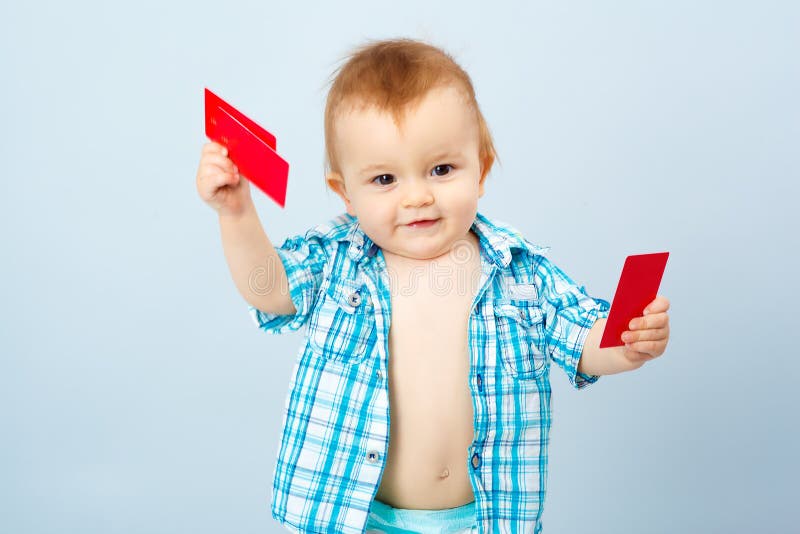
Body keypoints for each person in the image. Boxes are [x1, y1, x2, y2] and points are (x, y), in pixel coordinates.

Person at [195, 38, 671, 534]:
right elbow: (268, 290)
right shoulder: (338, 262)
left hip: (480, 519)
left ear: (481, 169)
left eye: (441, 170)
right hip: (358, 518)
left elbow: (583, 341)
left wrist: (626, 341)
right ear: (346, 193)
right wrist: (236, 213)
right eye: (384, 179)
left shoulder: (520, 273)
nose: (417, 196)